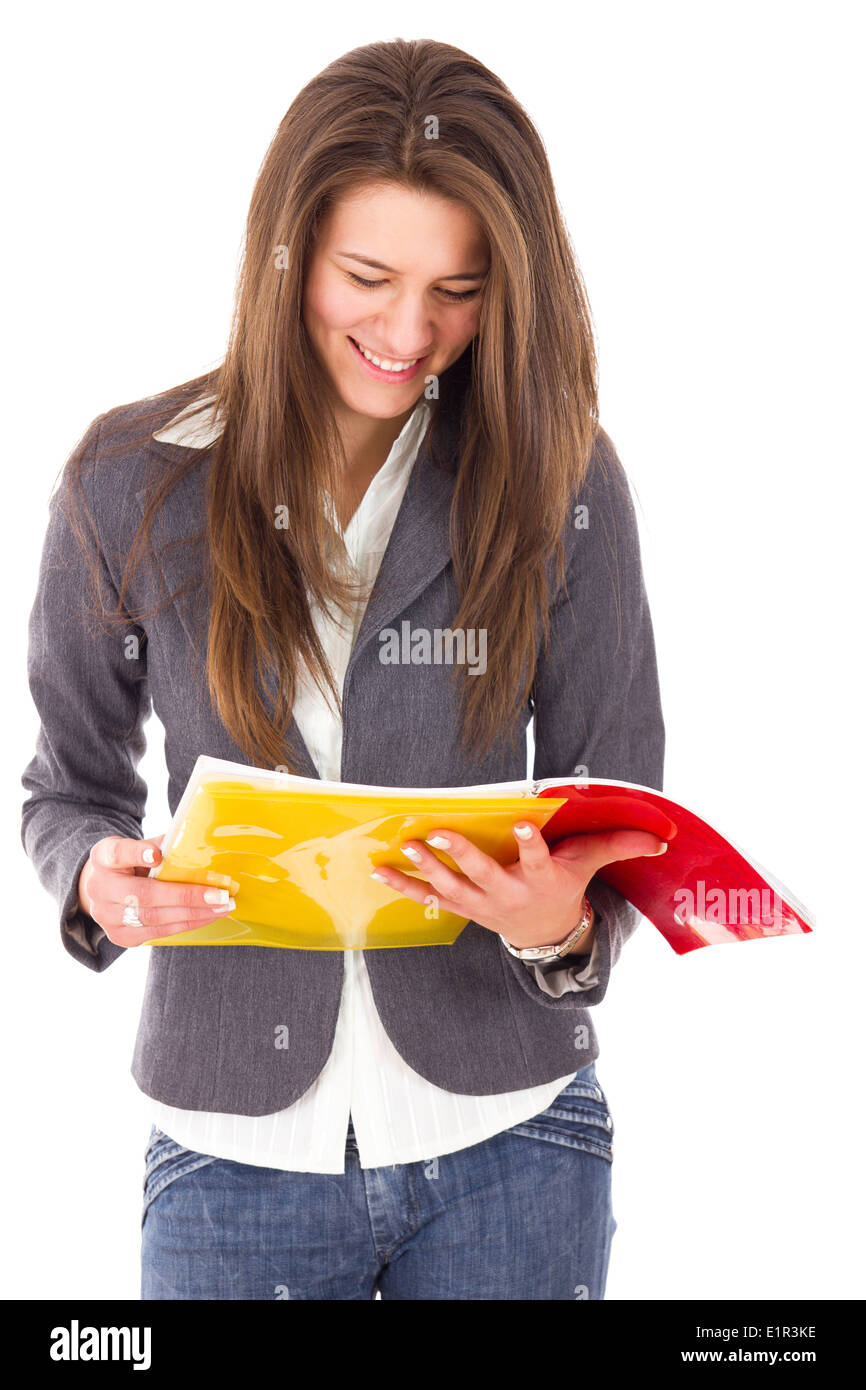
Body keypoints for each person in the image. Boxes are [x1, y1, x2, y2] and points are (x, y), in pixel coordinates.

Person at [21, 37, 665, 1301]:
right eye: (366, 276)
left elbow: (616, 802)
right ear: (286, 253)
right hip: (230, 1160)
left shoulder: (562, 480)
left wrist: (560, 930)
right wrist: (98, 880)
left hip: (513, 1145)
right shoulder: (127, 480)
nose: (409, 331)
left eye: (460, 290)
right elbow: (67, 790)